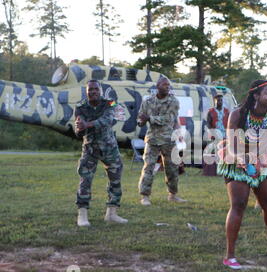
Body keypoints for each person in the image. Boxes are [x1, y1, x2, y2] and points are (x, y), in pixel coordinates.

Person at [218, 80, 267, 270]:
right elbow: (232, 143)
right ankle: (230, 256)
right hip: (235, 159)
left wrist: (256, 159)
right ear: (256, 96)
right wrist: (243, 159)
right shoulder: (238, 114)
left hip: (261, 159)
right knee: (238, 204)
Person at [74, 79, 128, 227]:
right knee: (85, 180)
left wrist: (88, 124)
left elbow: (108, 119)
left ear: (100, 91)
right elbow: (78, 132)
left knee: (115, 179)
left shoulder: (110, 103)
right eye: (90, 90)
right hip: (90, 148)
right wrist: (79, 129)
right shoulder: (80, 107)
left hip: (109, 147)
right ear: (86, 92)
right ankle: (82, 215)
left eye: (96, 89)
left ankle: (111, 214)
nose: (93, 92)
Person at [137, 77, 187, 206]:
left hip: (168, 139)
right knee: (148, 167)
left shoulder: (173, 101)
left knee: (172, 168)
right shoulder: (148, 101)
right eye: (165, 85)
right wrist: (141, 121)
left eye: (169, 85)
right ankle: (145, 196)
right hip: (152, 139)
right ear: (157, 86)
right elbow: (140, 117)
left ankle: (173, 194)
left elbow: (169, 119)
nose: (167, 87)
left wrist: (149, 118)